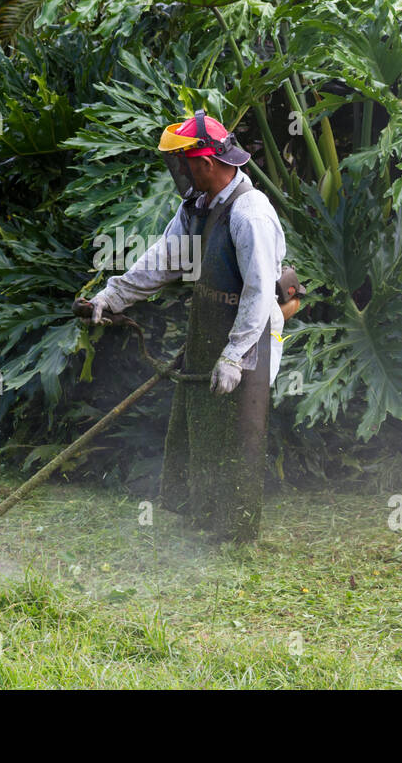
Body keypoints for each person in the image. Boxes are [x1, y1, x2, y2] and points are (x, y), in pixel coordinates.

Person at [84, 110, 286, 542]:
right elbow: (163, 259)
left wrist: (235, 356)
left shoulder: (250, 215)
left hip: (251, 338)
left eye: (184, 162)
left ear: (206, 163)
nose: (180, 171)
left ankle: (237, 532)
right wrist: (112, 296)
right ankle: (205, 518)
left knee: (238, 433)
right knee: (200, 423)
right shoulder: (197, 208)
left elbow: (258, 293)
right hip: (206, 328)